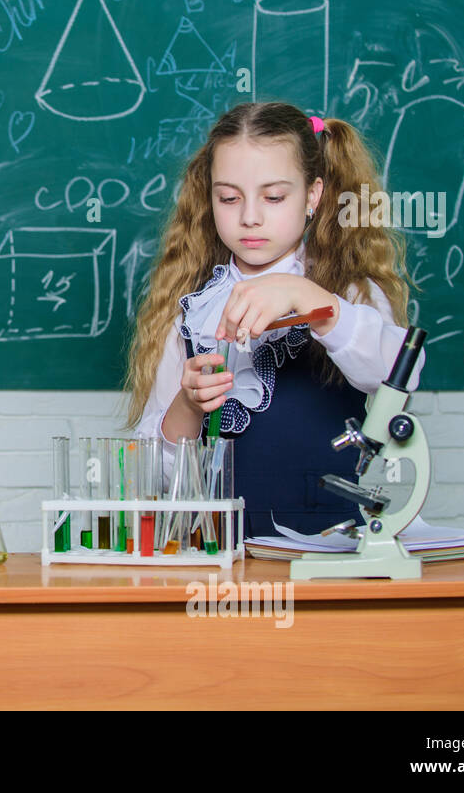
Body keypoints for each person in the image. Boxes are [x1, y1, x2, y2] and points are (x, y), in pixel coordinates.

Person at [127, 102, 425, 538]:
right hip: (226, 553)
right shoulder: (193, 313)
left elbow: (402, 372)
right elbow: (154, 477)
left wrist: (306, 296)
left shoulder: (348, 293)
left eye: (273, 197)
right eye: (228, 197)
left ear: (314, 196)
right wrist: (188, 404)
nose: (249, 216)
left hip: (337, 549)